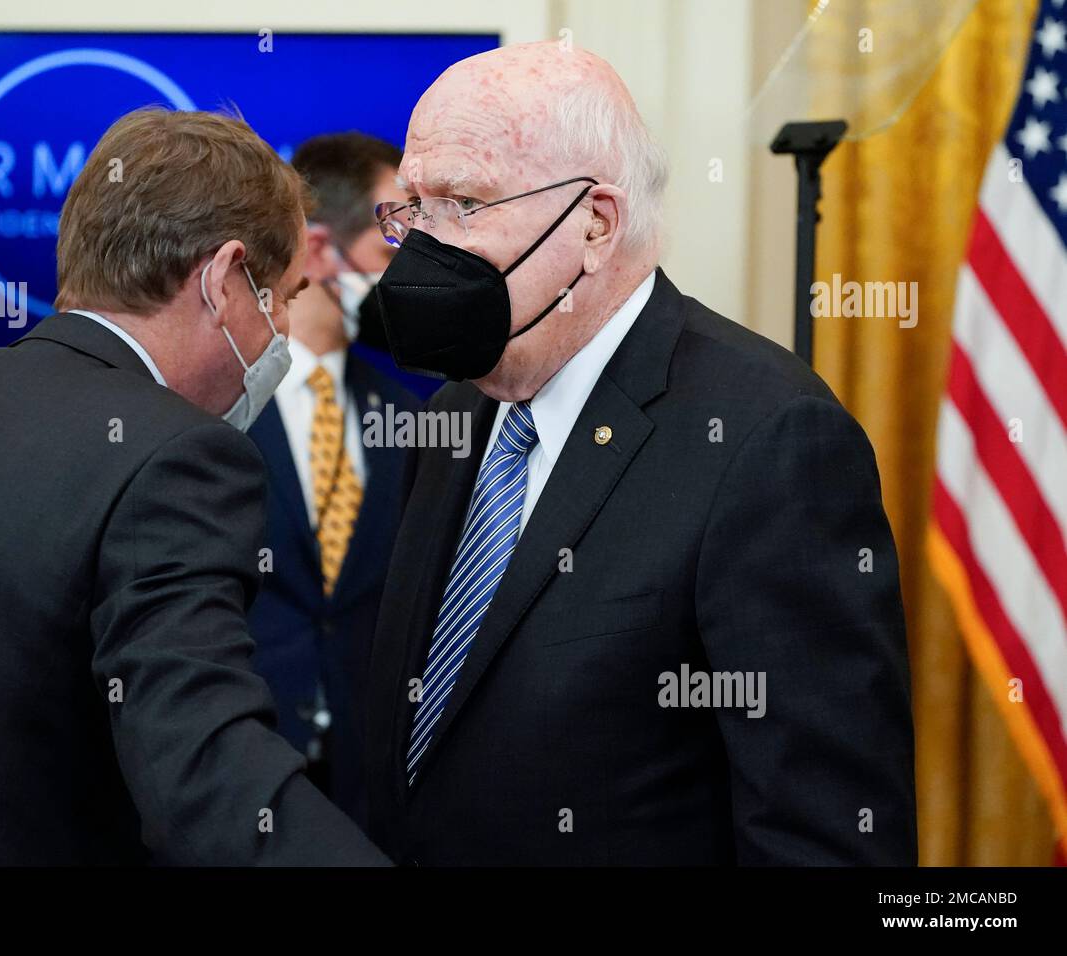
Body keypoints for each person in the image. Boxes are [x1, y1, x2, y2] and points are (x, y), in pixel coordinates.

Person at [0, 107, 387, 865]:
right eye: (283, 295)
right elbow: (204, 774)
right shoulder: (178, 456)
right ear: (225, 280)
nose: (284, 329)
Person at [364, 42, 917, 865]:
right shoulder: (453, 415)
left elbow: (824, 838)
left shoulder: (772, 442)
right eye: (413, 207)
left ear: (595, 223)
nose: (422, 245)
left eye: (465, 203)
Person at [245, 133, 417, 825]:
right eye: (391, 250)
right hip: (241, 782)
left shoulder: (415, 422)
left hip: (366, 790)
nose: (411, 275)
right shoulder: (215, 409)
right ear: (317, 251)